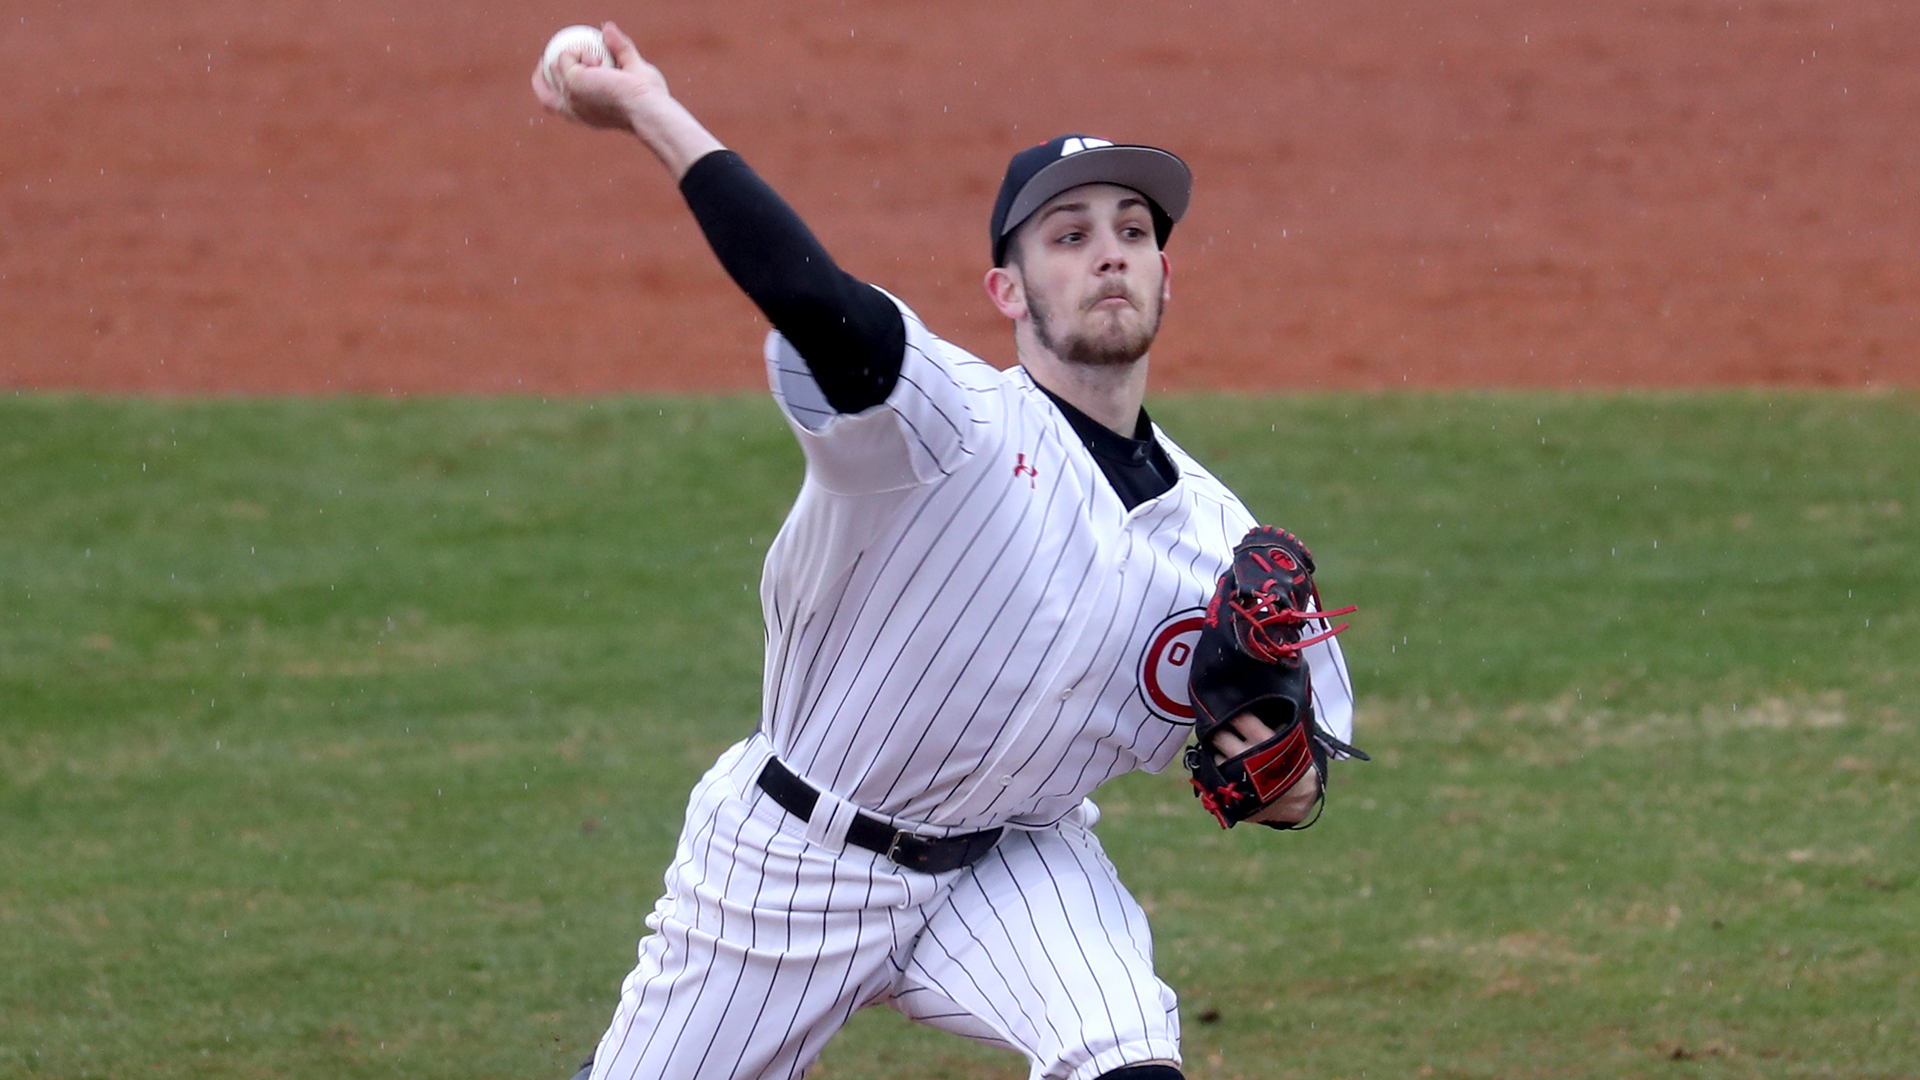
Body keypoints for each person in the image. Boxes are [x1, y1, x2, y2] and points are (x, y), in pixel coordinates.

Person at [532, 22, 1356, 1080]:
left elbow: (1299, 783)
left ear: (1166, 275)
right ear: (1007, 290)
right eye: (1068, 236)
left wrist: (1278, 774)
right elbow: (814, 301)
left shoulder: (1222, 547)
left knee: (1127, 1056)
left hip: (1012, 864)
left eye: (1133, 231)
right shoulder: (949, 423)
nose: (1109, 251)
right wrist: (649, 108)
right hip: (792, 861)